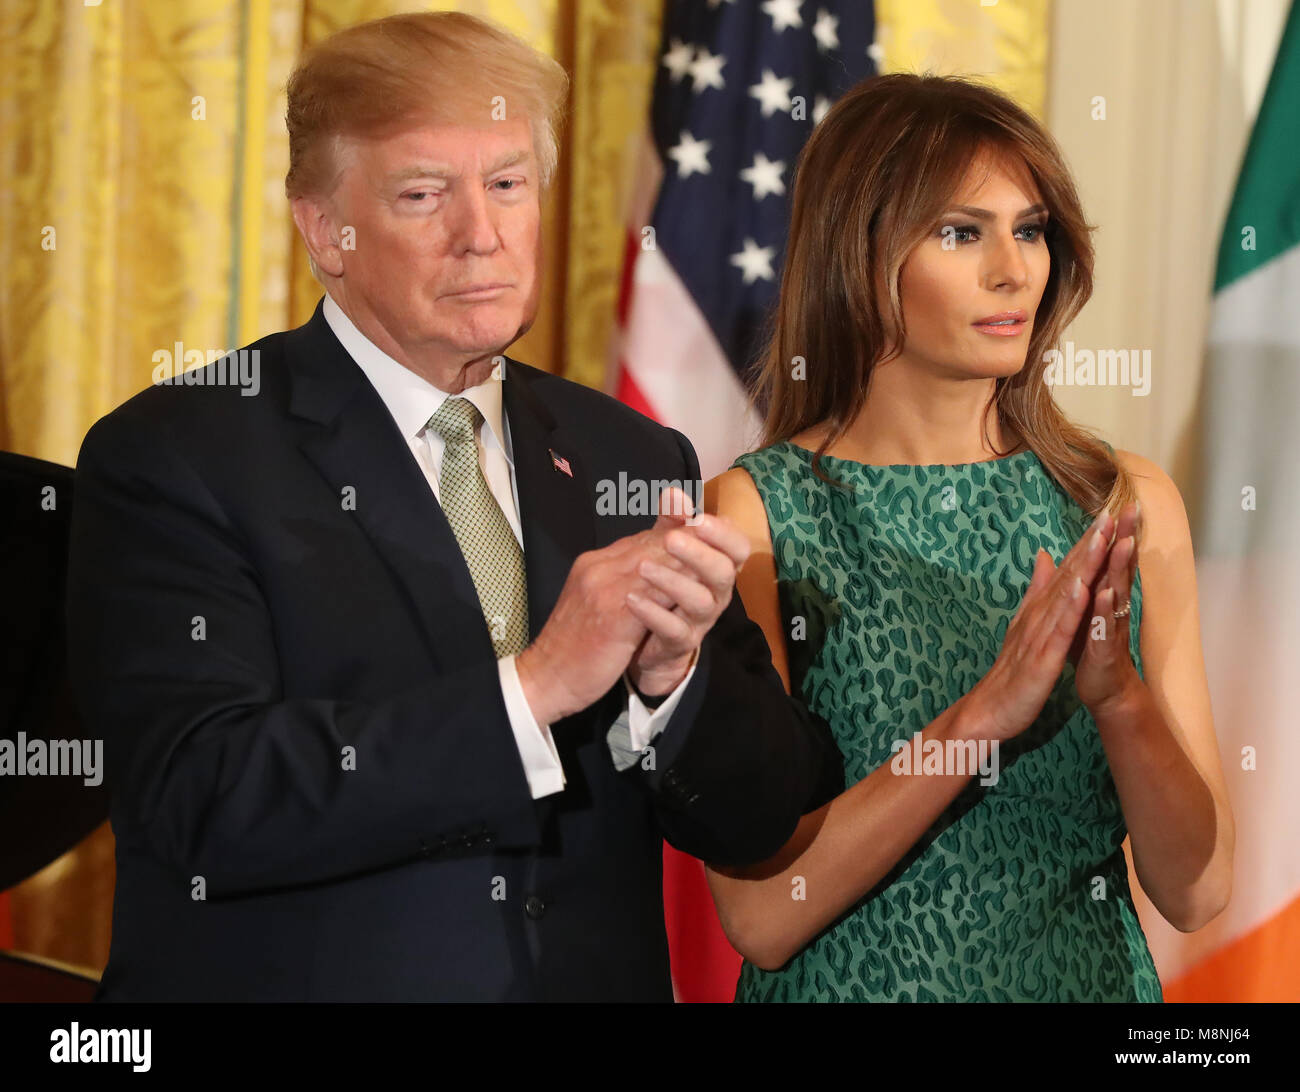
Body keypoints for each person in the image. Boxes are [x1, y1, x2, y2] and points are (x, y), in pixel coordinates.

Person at [65, 12, 841, 1002]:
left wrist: (672, 681)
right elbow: (201, 797)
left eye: (508, 184)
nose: (482, 235)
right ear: (322, 231)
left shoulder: (631, 455)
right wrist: (536, 687)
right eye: (424, 194)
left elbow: (759, 820)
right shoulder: (177, 455)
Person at [703, 73, 1234, 1002]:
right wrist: (984, 715)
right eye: (961, 232)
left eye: (1029, 229)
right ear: (858, 254)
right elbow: (762, 917)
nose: (1014, 270)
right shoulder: (754, 518)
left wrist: (1116, 699)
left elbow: (1198, 889)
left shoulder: (1123, 502)